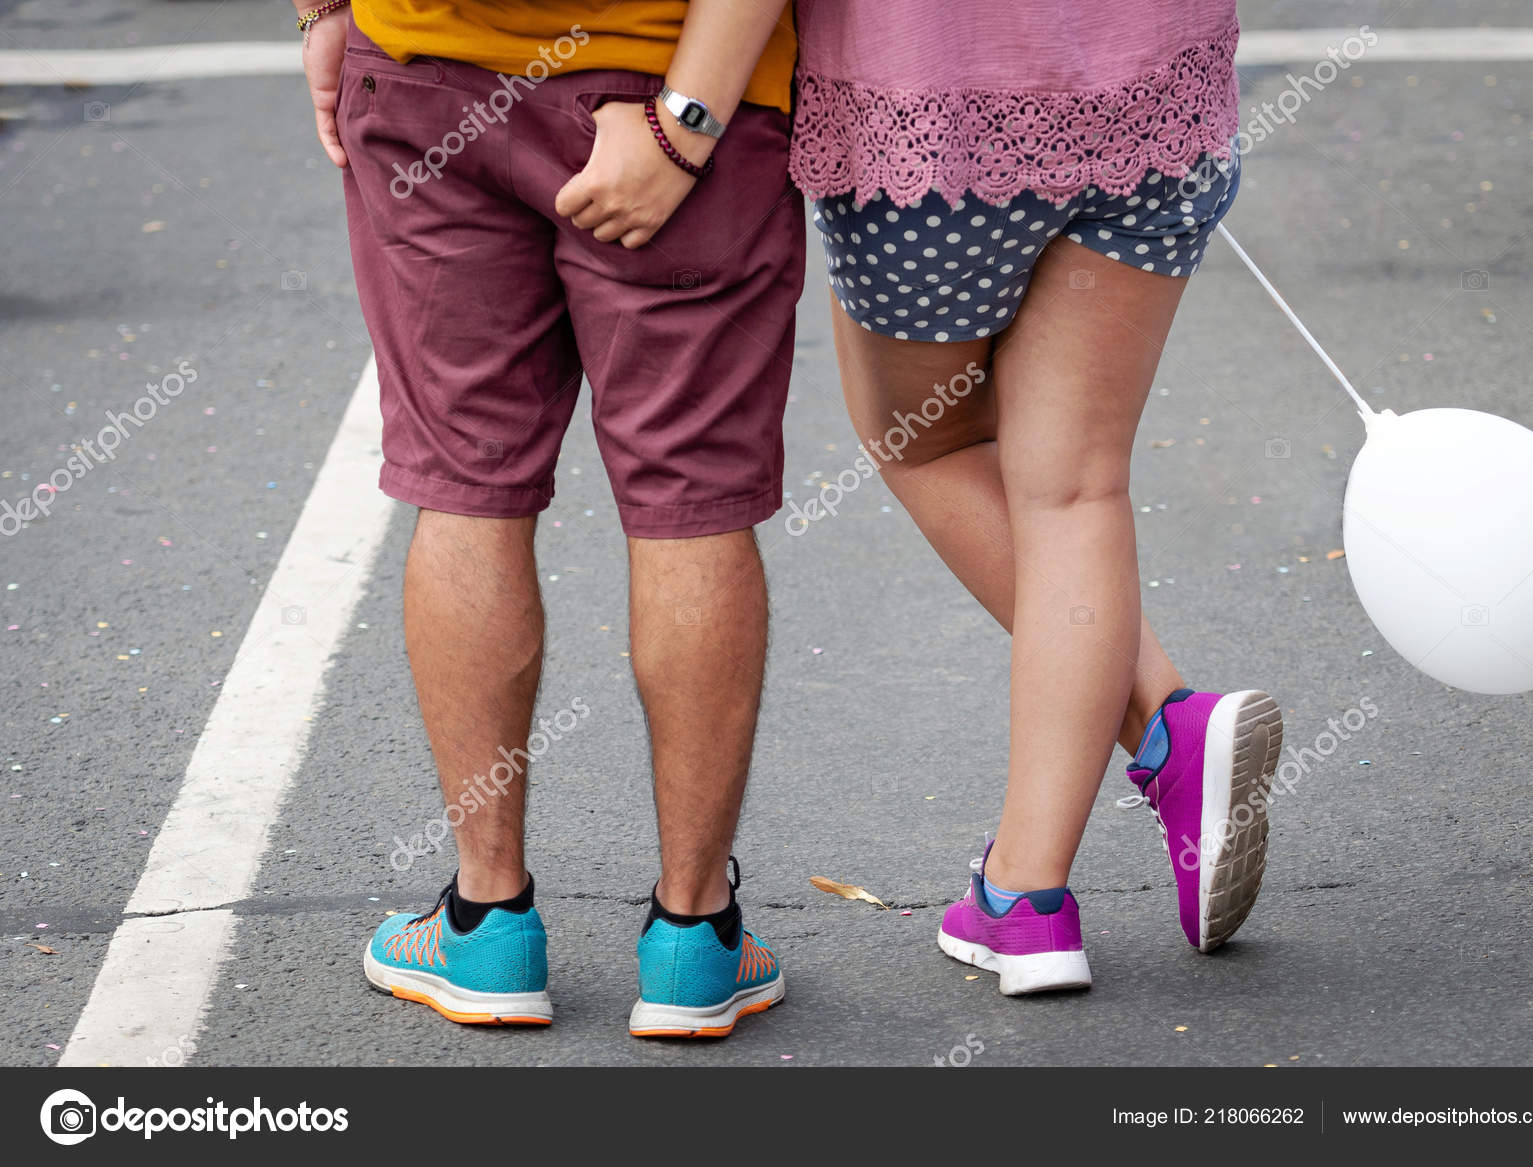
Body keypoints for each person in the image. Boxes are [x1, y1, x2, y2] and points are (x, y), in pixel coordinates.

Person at [293, 0, 801, 1036]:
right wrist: (685, 121)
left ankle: (486, 926)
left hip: (432, 71)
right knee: (689, 498)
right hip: (677, 77)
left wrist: (322, 14)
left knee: (464, 481)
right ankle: (692, 939)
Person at [789, 0, 1282, 994]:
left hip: (929, 118)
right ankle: (1028, 890)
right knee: (1075, 489)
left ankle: (1148, 748)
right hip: (1155, 94)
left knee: (923, 443)